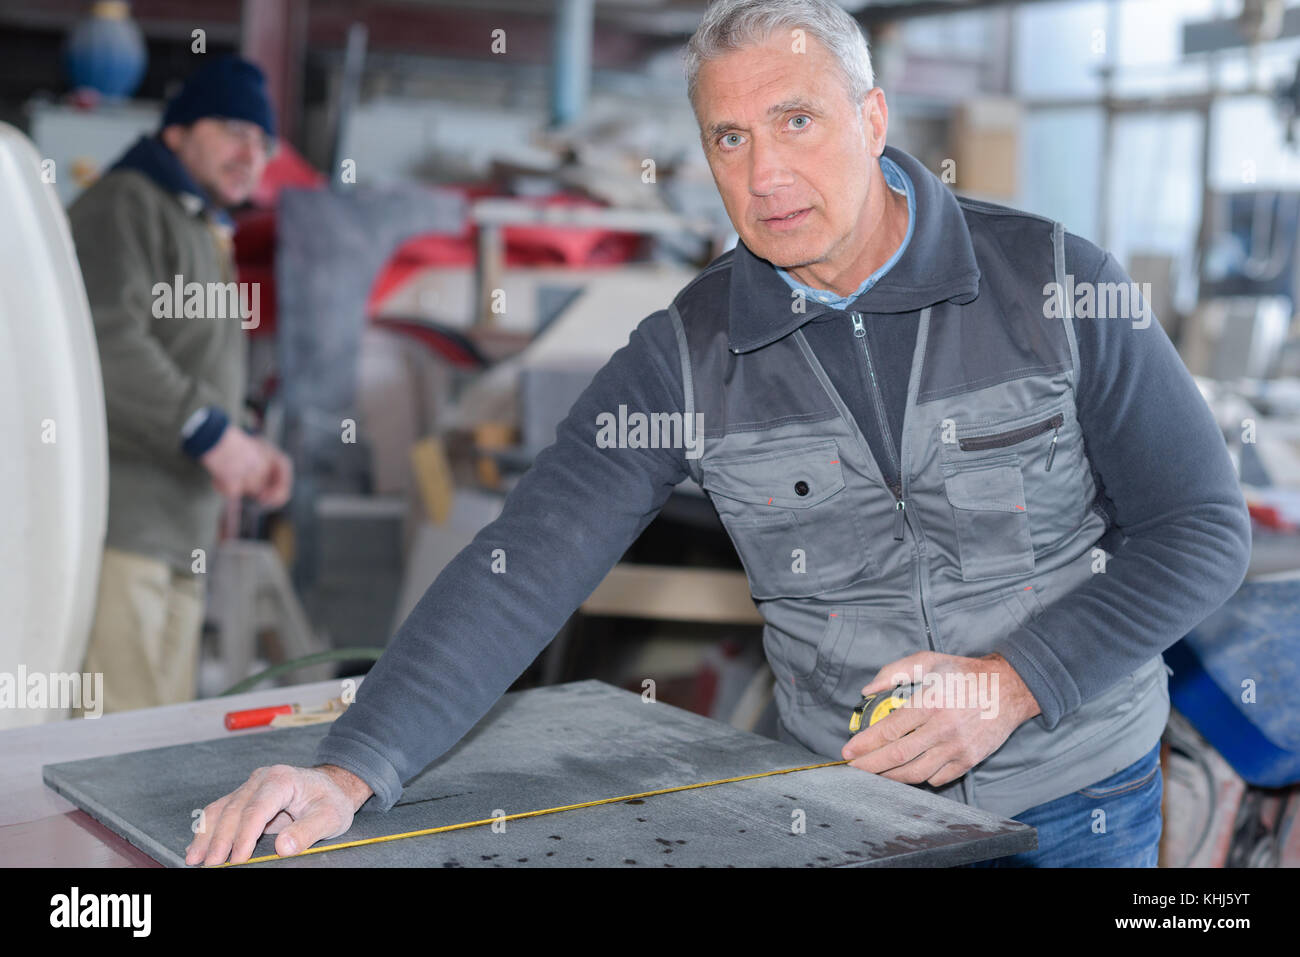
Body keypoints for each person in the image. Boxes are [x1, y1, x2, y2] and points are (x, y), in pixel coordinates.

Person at [186, 0, 1250, 867]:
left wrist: (1015, 681)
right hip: (854, 813)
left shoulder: (1054, 283)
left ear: (874, 118)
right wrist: (349, 766)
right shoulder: (688, 353)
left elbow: (1201, 528)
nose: (764, 175)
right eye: (728, 139)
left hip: (1080, 803)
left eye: (797, 121)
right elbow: (525, 562)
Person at [70, 55, 293, 715]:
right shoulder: (125, 202)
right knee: (113, 748)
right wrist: (209, 432)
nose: (250, 152)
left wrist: (247, 442)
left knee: (151, 738)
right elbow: (108, 344)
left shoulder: (200, 224)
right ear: (176, 132)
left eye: (264, 142)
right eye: (232, 129)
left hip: (179, 531)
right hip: (125, 526)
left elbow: (189, 363)